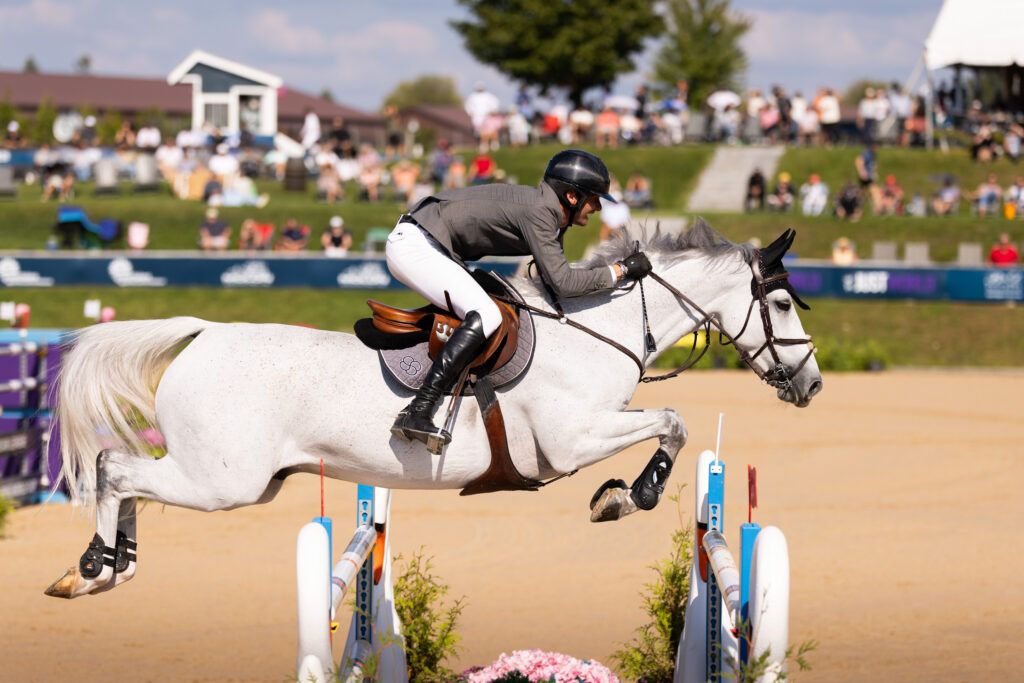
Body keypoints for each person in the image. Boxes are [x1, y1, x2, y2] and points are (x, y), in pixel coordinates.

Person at [385, 149, 651, 445]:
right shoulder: (542, 212)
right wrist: (621, 270)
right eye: (594, 198)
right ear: (572, 197)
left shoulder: (549, 211)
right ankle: (418, 410)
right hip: (417, 247)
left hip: (430, 244)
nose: (598, 207)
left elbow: (557, 281)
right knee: (486, 314)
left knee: (496, 304)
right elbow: (563, 283)